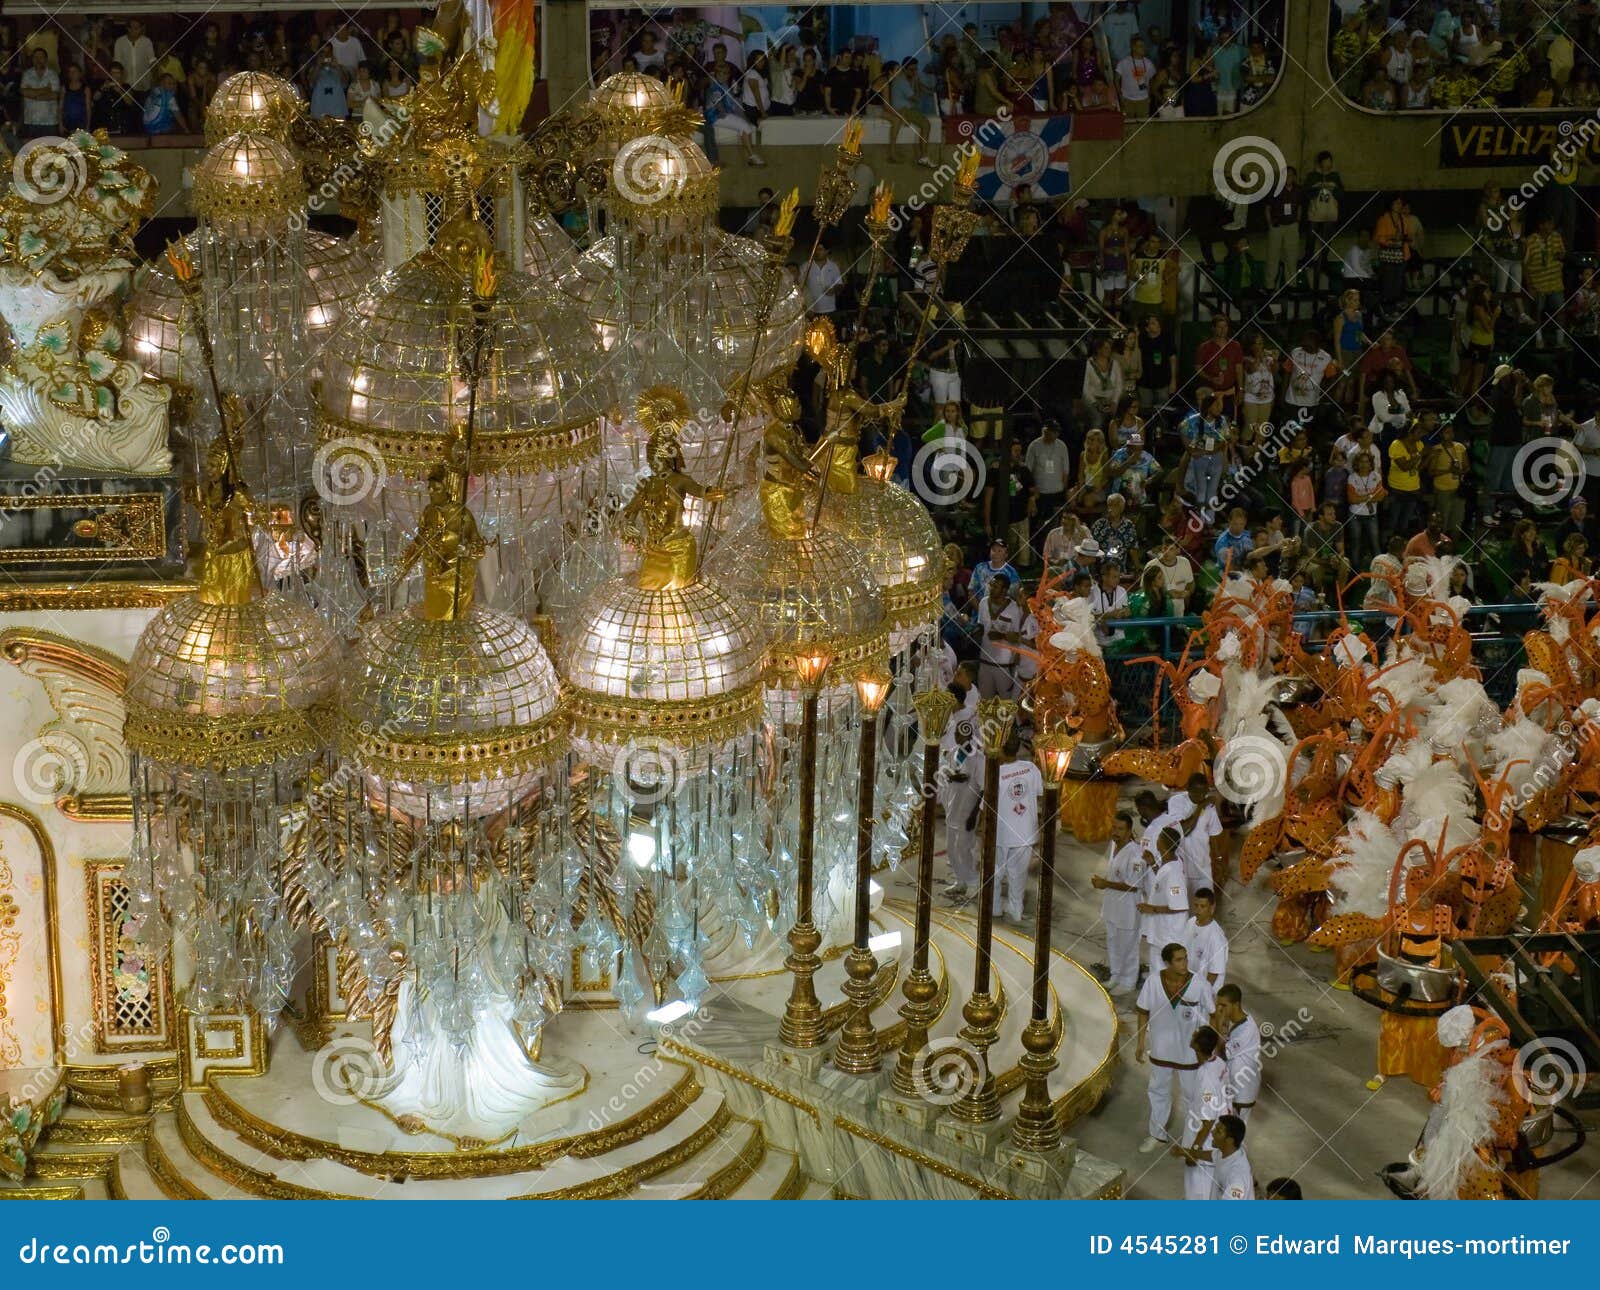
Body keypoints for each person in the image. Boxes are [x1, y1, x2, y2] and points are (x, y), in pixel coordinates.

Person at [1135, 941, 1214, 1153]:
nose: (1185, 963)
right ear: (1167, 962)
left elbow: (1213, 1014)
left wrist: (1210, 1048)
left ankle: (1192, 1140)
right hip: (1161, 1050)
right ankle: (1156, 1135)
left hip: (1190, 1054)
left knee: (1192, 1096)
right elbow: (1143, 1011)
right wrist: (1140, 1042)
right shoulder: (1153, 982)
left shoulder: (1199, 984)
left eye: (1186, 958)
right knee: (1158, 1091)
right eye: (1179, 960)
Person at [1173, 1025, 1232, 1198]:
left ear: (1197, 1046)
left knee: (1198, 1193)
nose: (1192, 1034)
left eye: (1195, 1035)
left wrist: (1193, 1151)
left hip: (1205, 1147)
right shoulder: (1219, 1063)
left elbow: (1208, 1121)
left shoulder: (1206, 1077)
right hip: (1217, 1142)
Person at [990, 733, 1041, 923]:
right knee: (1018, 876)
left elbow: (986, 806)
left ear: (1001, 748)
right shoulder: (1031, 769)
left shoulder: (995, 773)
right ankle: (1015, 911)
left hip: (1001, 834)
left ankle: (994, 908)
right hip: (1025, 832)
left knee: (995, 873)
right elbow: (1039, 795)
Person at [1092, 812, 1145, 996]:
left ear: (1130, 831)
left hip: (1128, 909)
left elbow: (1134, 885)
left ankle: (1128, 981)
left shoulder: (1136, 854)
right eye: (1114, 827)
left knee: (1128, 947)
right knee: (1113, 941)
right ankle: (1115, 975)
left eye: (1120, 829)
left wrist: (1105, 883)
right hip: (1113, 905)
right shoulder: (1114, 845)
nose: (1116, 832)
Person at [1139, 826, 1189, 976]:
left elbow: (1180, 906)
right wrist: (1153, 863)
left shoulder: (1174, 873)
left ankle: (1162, 996)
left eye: (1159, 838)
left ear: (1162, 844)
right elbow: (1163, 883)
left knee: (1164, 969)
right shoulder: (1169, 863)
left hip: (1168, 933)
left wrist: (1151, 908)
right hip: (1161, 930)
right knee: (1157, 967)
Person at [1214, 983, 1260, 1124]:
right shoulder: (1236, 1021)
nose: (1219, 1009)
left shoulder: (1246, 1030)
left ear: (1236, 1004)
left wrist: (1219, 1026)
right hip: (1233, 1086)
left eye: (1223, 1005)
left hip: (1242, 1090)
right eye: (1218, 1005)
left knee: (1234, 1136)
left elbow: (1222, 1054)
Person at [977, 570, 1027, 699]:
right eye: (991, 585)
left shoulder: (1014, 608)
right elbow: (981, 626)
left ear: (1005, 590)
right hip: (984, 661)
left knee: (1007, 703)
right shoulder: (983, 602)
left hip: (1004, 665)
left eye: (996, 586)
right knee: (984, 701)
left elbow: (1019, 637)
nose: (991, 588)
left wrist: (1002, 636)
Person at [1181, 388, 1230, 509]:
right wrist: (1190, 447)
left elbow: (1225, 440)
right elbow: (1182, 429)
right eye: (1199, 399)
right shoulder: (1192, 418)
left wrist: (1215, 449)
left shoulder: (1221, 420)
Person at [1179, 777, 1224, 895]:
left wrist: (1218, 860)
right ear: (1188, 789)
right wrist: (1200, 807)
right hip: (1182, 870)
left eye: (1204, 792)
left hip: (1203, 867)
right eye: (1196, 792)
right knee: (1186, 909)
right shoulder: (1177, 802)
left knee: (1205, 905)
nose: (1201, 796)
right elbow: (1185, 830)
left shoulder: (1210, 807)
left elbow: (1213, 834)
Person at [1024, 421, 1070, 533]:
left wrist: (1063, 489)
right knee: (1038, 527)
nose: (1048, 435)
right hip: (1040, 494)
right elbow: (1027, 470)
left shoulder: (1062, 446)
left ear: (1057, 433)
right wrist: (1032, 493)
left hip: (1056, 493)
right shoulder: (1034, 446)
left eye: (1051, 433)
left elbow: (1066, 470)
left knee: (1055, 527)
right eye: (1046, 432)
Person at [1183, 888, 1228, 991]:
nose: (1198, 910)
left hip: (1206, 991)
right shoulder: (1190, 923)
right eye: (1196, 905)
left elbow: (1214, 972)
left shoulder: (1216, 936)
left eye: (1202, 906)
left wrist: (1202, 992)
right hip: (1189, 984)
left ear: (1212, 907)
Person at [1209, 1116, 1254, 1199]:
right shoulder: (1230, 1152)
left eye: (1218, 1132)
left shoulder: (1237, 1176)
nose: (1212, 1132)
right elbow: (1211, 1155)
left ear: (1230, 1140)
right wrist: (1184, 1152)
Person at [18, 48, 59, 138]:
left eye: (41, 57)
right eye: (35, 57)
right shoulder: (27, 74)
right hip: (31, 120)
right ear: (32, 59)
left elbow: (54, 95)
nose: (38, 59)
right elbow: (24, 92)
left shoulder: (53, 74)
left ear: (46, 59)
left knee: (50, 150)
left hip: (49, 121)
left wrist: (33, 95)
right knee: (32, 150)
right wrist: (46, 89)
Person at [1090, 560, 1130, 650]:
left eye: (1118, 576)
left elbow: (1127, 610)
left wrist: (1125, 612)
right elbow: (1088, 617)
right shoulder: (1092, 592)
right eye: (1114, 577)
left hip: (1119, 640)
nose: (1117, 580)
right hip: (1098, 641)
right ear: (1104, 577)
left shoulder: (1122, 590)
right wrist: (1110, 615)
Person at [1115, 35, 1156, 117]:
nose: (1143, 48)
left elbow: (1152, 80)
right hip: (1127, 99)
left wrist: (1149, 96)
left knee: (1142, 124)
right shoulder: (1124, 62)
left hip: (1143, 99)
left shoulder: (1148, 63)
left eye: (1144, 46)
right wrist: (1120, 96)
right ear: (1133, 48)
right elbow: (1116, 79)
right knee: (1128, 125)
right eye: (1140, 46)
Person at [114, 18, 155, 93]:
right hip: (125, 85)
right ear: (128, 28)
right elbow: (117, 64)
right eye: (134, 28)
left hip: (144, 85)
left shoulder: (147, 41)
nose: (136, 30)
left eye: (138, 28)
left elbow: (152, 62)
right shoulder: (120, 42)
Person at [801, 243, 842, 316]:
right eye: (815, 249)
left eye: (820, 249)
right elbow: (799, 286)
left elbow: (839, 285)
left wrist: (834, 290)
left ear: (827, 251)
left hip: (830, 309)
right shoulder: (805, 266)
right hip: (810, 310)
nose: (817, 252)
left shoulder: (833, 266)